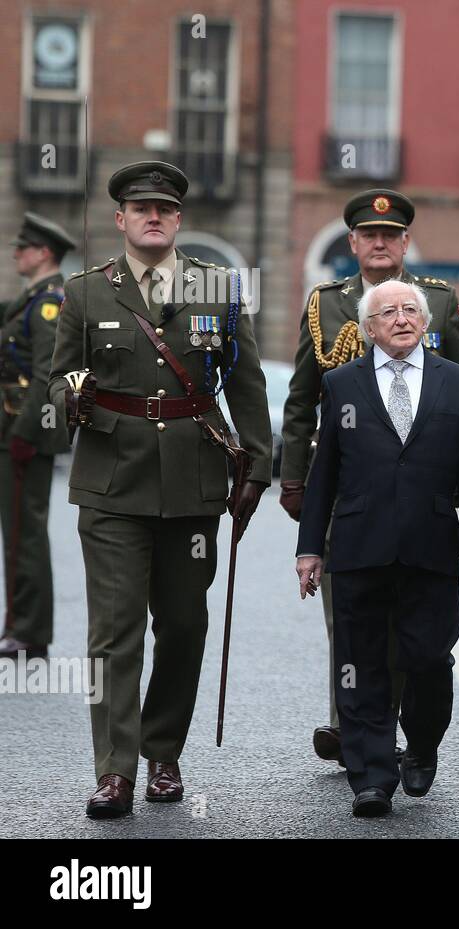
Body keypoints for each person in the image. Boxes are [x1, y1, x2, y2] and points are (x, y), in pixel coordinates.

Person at [47, 161, 273, 818]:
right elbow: (57, 380)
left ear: (178, 221)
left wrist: (256, 465)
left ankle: (163, 750)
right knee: (114, 631)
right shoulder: (86, 292)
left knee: (183, 624)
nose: (153, 216)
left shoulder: (220, 290)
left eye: (165, 209)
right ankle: (115, 770)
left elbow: (246, 381)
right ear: (119, 219)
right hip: (112, 481)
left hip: (193, 482)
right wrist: (72, 397)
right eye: (141, 208)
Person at [279, 188, 459, 764]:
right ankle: (355, 723)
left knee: (413, 618)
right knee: (350, 610)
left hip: (417, 486)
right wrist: (295, 478)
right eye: (370, 235)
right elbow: (300, 399)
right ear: (354, 243)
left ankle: (393, 720)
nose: (381, 243)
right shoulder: (324, 303)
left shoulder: (435, 300)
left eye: (391, 235)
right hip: (348, 483)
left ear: (405, 243)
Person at [295, 279, 459, 817]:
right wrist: (310, 547)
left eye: (410, 310)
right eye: (388, 312)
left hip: (431, 546)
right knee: (360, 665)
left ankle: (423, 746)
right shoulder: (342, 384)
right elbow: (324, 474)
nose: (401, 318)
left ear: (426, 323)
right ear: (368, 328)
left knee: (428, 659)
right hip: (359, 546)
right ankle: (372, 777)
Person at [0, 213, 77, 659]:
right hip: (15, 433)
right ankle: (22, 626)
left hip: (22, 435)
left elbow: (50, 372)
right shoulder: (31, 299)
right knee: (18, 533)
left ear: (43, 253)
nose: (15, 254)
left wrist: (27, 434)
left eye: (22, 248)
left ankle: (28, 631)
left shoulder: (48, 303)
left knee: (24, 534)